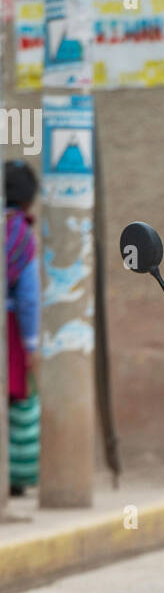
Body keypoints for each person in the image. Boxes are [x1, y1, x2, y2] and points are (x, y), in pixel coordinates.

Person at [6, 161, 40, 495]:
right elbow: (28, 298)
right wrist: (31, 346)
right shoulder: (18, 233)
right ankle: (11, 482)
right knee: (12, 403)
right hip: (9, 330)